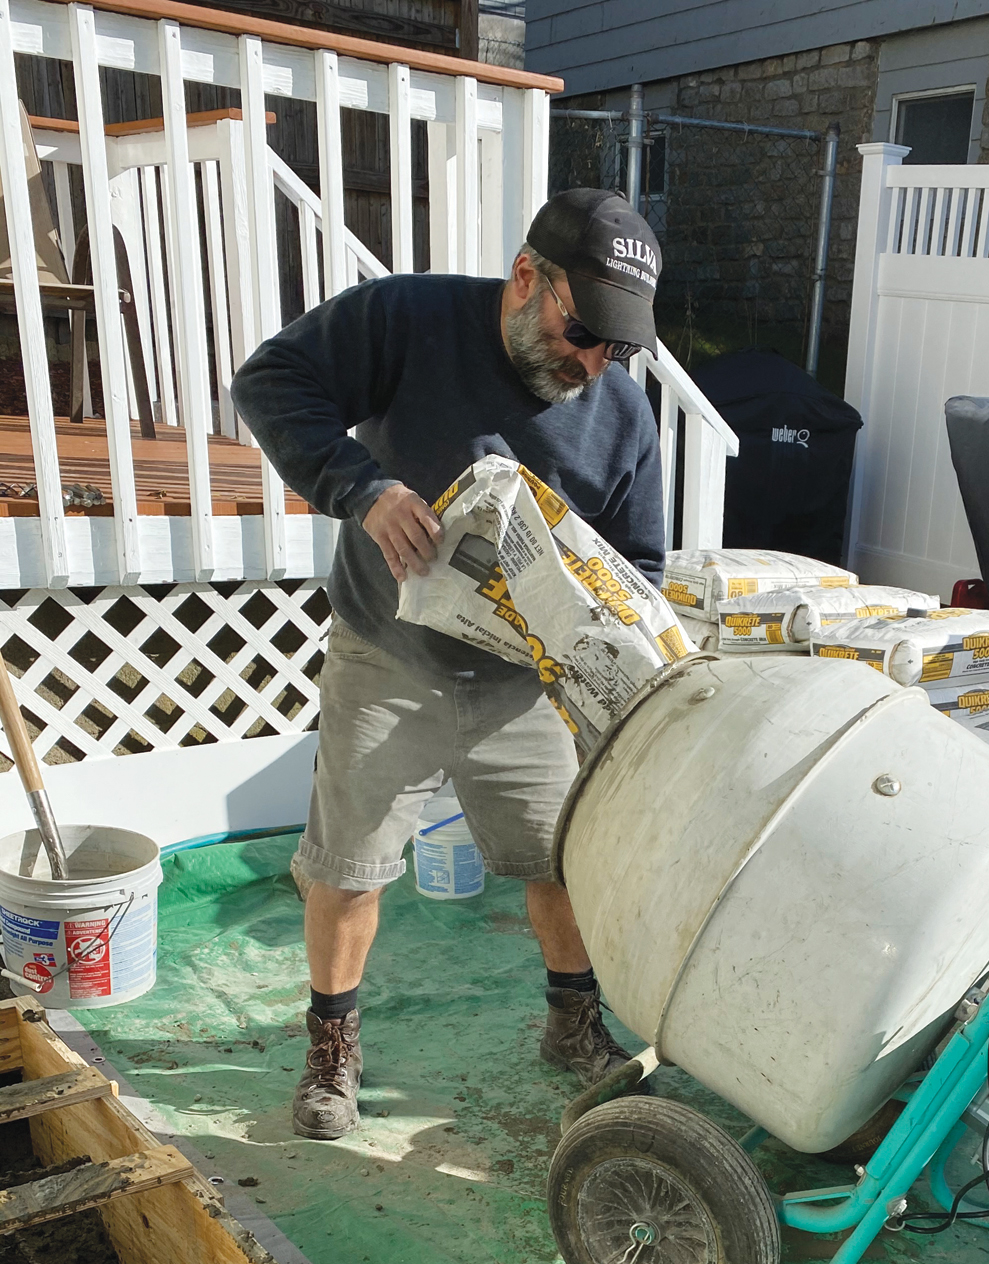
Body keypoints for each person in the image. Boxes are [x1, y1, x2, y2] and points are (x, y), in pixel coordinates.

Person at [231, 189, 665, 1140]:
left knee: (563, 863)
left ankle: (572, 1024)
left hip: (525, 686)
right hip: (389, 657)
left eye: (616, 349)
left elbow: (640, 570)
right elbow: (269, 383)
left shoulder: (624, 418)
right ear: (526, 280)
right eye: (583, 331)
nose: (592, 364)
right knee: (347, 868)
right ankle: (331, 1052)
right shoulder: (408, 319)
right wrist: (362, 488)